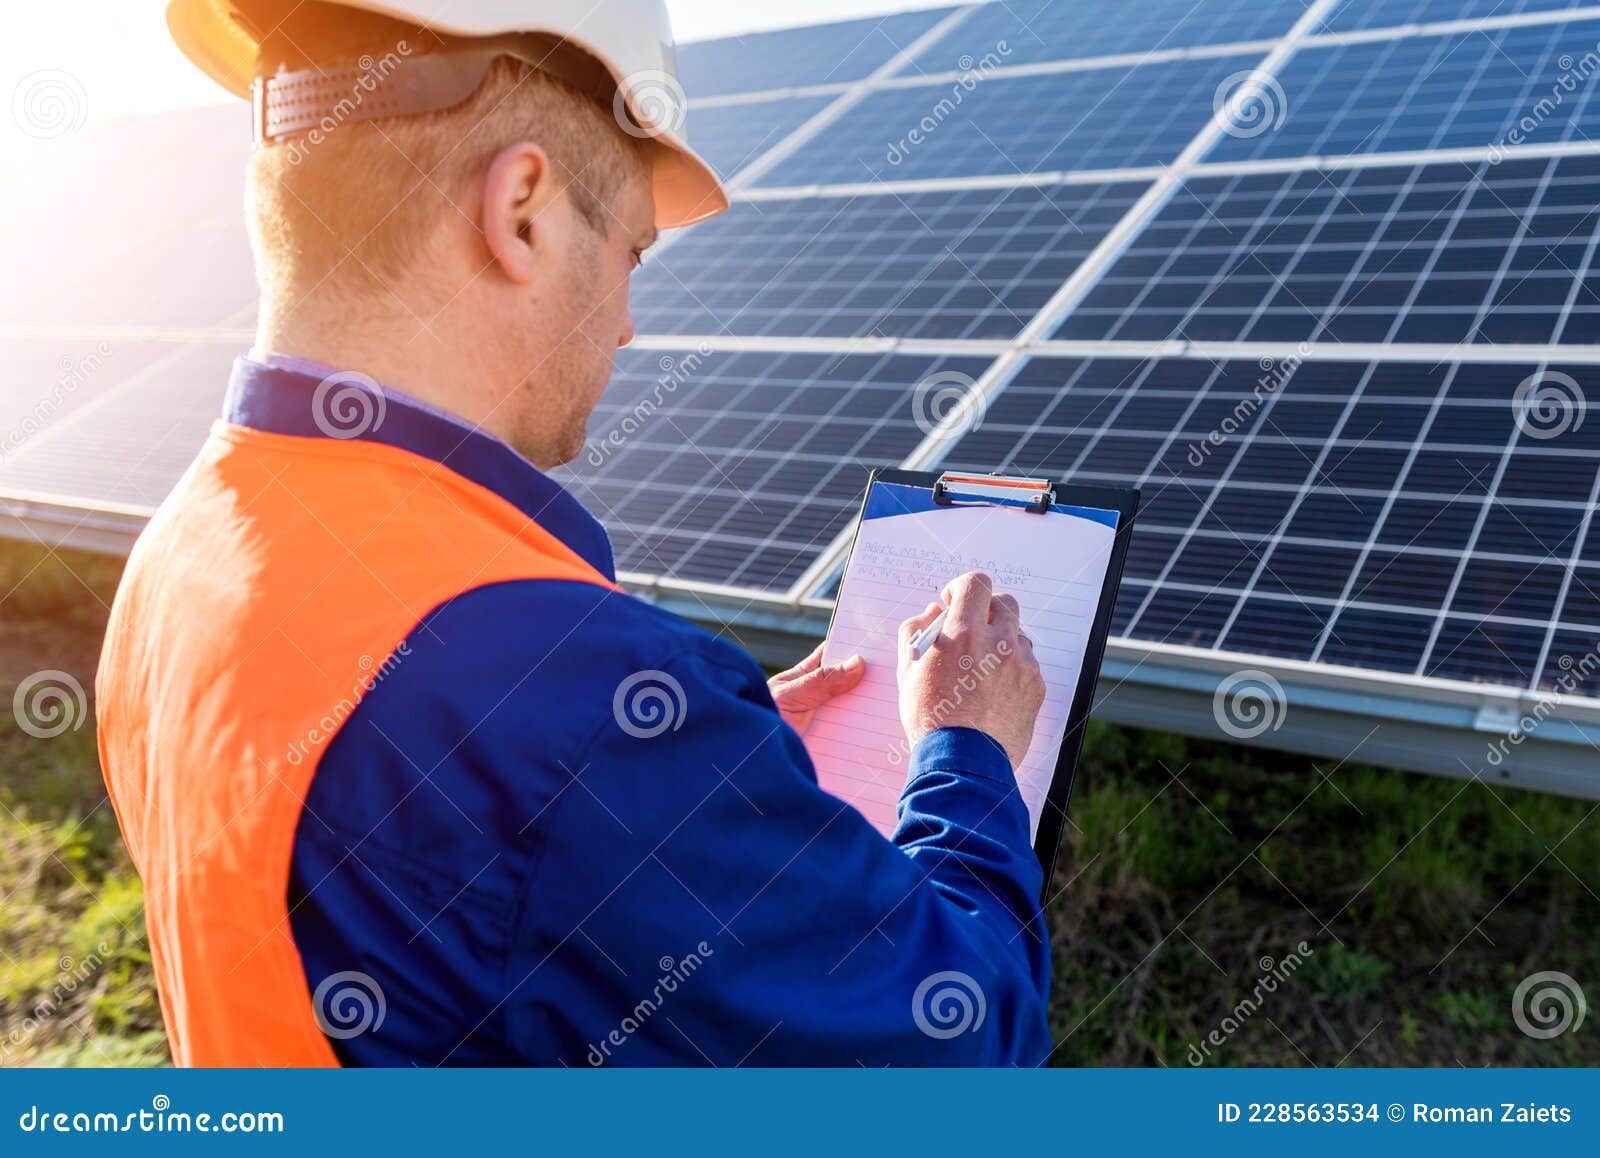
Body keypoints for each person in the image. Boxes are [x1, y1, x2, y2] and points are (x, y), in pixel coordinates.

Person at [97, 0, 1052, 1067]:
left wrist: (702, 781)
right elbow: (959, 1047)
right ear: (523, 212)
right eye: (633, 254)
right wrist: (968, 753)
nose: (629, 324)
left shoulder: (180, 555)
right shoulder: (562, 699)